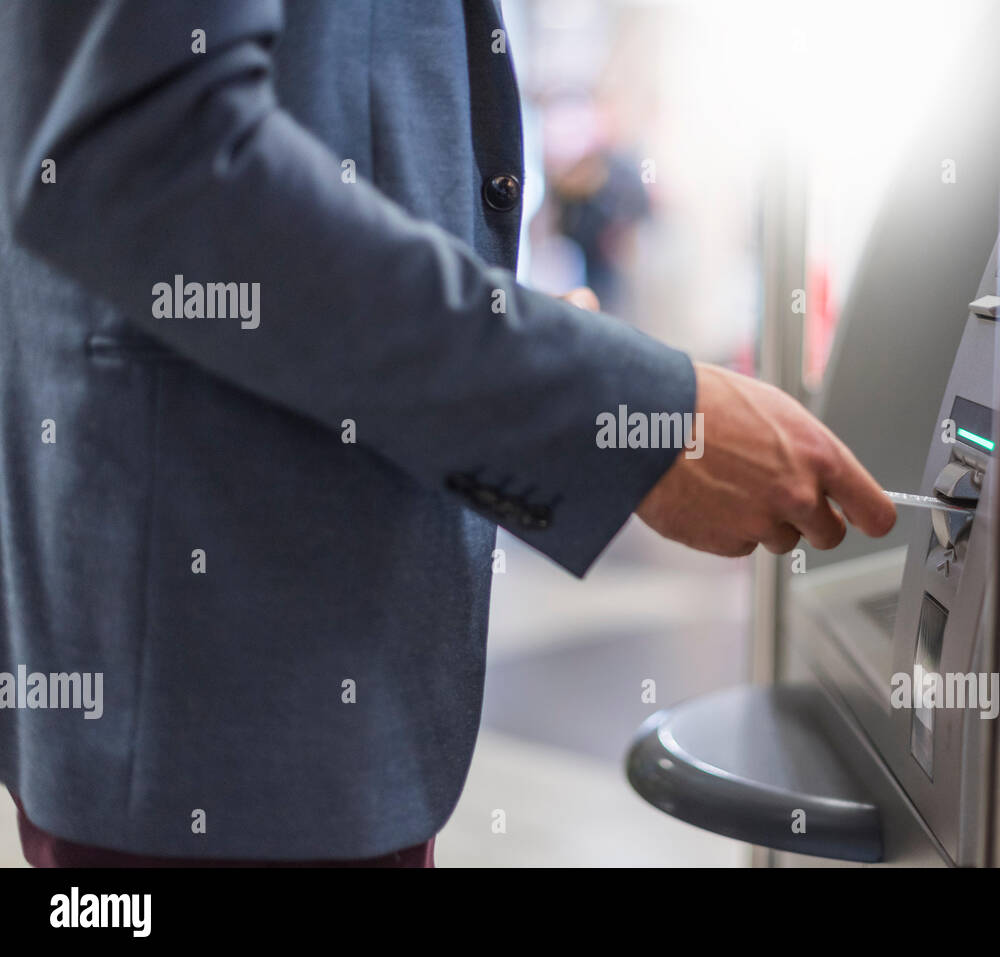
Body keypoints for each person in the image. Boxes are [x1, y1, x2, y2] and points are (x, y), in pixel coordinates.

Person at [0, 0, 895, 866]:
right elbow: (150, 163)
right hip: (223, 712)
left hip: (314, 690)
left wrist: (522, 328)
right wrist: (628, 419)